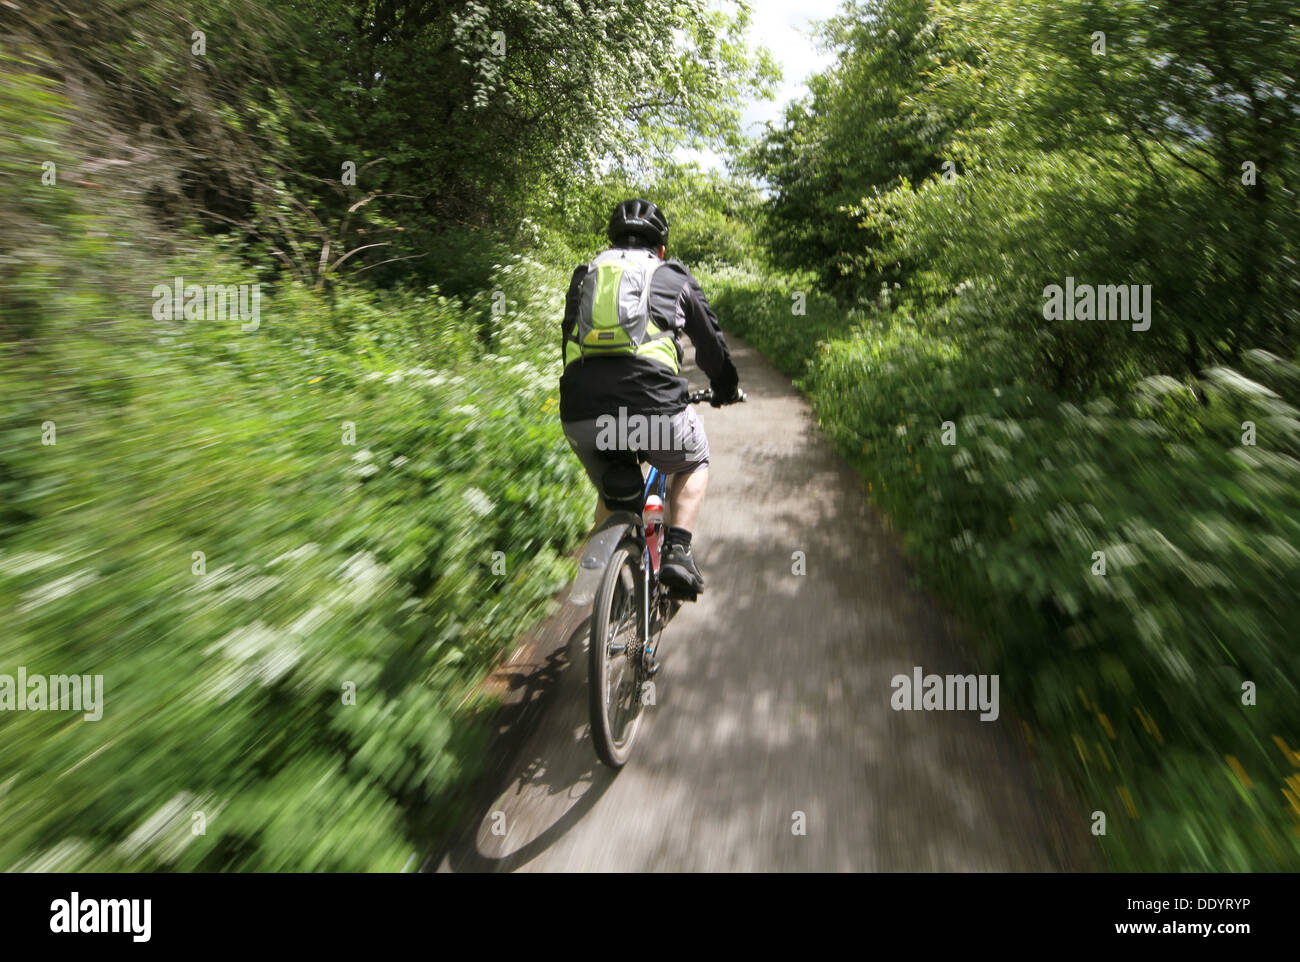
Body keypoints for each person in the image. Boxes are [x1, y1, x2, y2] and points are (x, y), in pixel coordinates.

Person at [560, 198, 742, 599]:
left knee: (614, 486)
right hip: (656, 408)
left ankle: (604, 584)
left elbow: (568, 346)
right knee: (694, 458)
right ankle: (677, 548)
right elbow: (710, 344)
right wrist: (726, 388)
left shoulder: (584, 276)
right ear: (661, 249)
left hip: (581, 412)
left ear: (610, 242)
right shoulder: (672, 275)